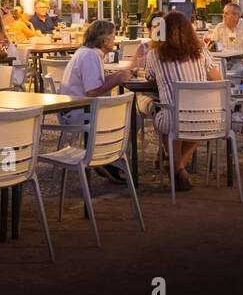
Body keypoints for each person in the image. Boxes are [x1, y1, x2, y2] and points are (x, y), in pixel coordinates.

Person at [146, 10, 223, 192]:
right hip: (205, 120)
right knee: (190, 122)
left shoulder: (155, 54)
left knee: (168, 117)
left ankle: (174, 165)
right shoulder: (201, 52)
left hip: (172, 120)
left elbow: (149, 78)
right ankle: (177, 167)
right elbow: (217, 80)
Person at [58, 19, 133, 183]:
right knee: (131, 117)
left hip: (76, 108)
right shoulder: (90, 55)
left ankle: (106, 158)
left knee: (126, 115)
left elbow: (93, 86)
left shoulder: (87, 52)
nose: (115, 40)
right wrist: (118, 78)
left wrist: (116, 77)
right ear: (105, 40)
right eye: (113, 37)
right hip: (79, 111)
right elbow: (92, 92)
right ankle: (104, 159)